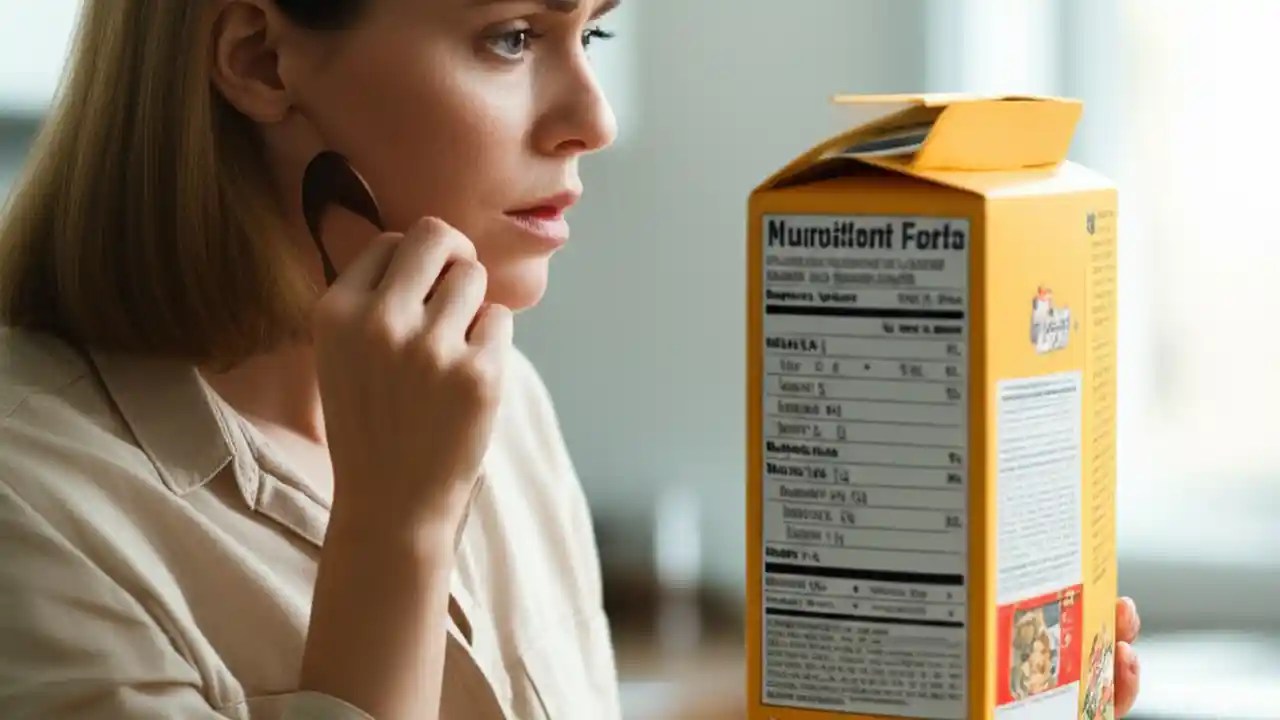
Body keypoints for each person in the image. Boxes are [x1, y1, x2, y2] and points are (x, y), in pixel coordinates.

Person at [0, 1, 1143, 718]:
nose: (589, 114)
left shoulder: (500, 400)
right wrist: (394, 531)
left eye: (589, 31)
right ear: (257, 56)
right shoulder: (30, 507)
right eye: (511, 37)